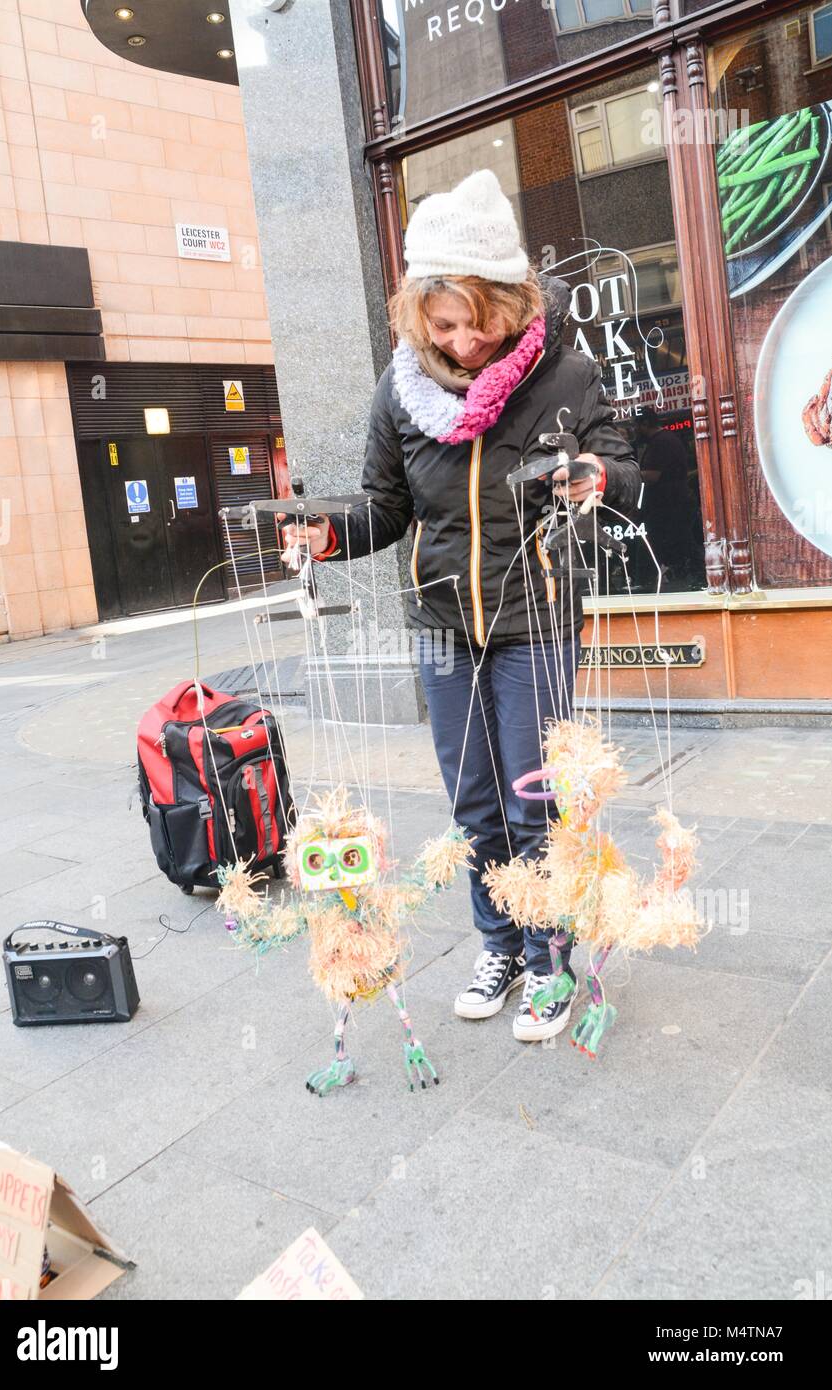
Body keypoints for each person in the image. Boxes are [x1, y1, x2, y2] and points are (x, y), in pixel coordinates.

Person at [280, 170, 640, 1042]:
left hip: (534, 620)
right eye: (447, 323)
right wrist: (328, 534)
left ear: (514, 302)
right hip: (443, 628)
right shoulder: (400, 394)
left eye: (485, 319)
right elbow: (382, 505)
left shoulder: (566, 376)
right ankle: (500, 943)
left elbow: (622, 471)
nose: (469, 340)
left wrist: (595, 480)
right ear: (417, 315)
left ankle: (551, 958)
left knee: (534, 802)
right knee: (474, 802)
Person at [634, 407, 692, 587]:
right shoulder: (668, 439)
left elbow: (654, 475)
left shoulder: (660, 442)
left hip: (666, 504)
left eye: (636, 425)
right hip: (676, 501)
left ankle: (649, 581)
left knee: (659, 543)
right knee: (683, 540)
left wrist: (630, 474)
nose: (634, 430)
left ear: (644, 423)